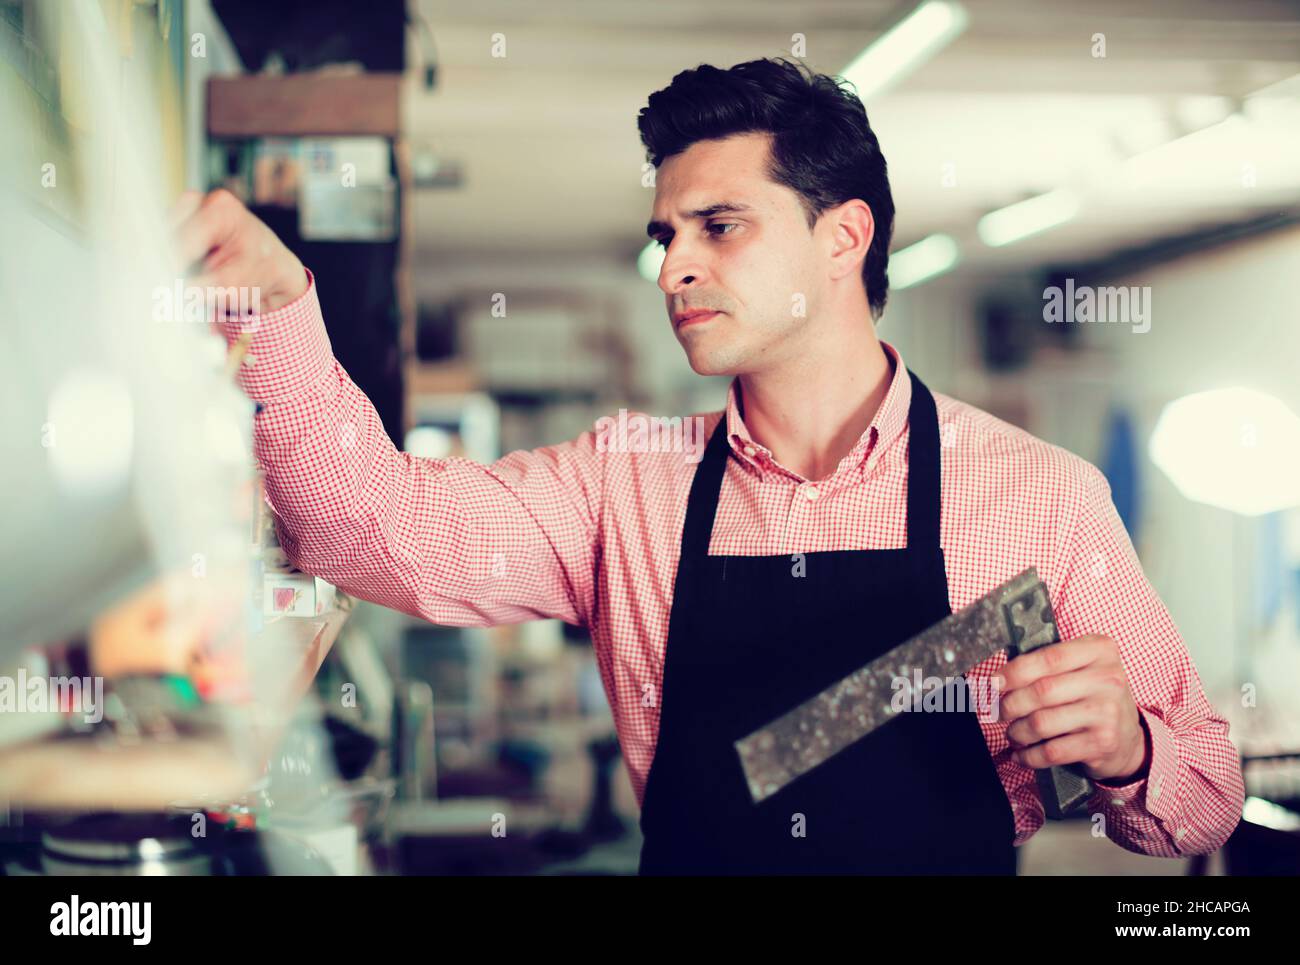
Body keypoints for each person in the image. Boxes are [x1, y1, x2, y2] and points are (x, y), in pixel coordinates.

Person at [174, 57, 1243, 875]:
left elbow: (1205, 796)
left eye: (718, 226)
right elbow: (361, 528)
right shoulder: (623, 485)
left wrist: (1126, 746)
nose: (673, 265)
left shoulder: (1041, 495)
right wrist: (276, 307)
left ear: (843, 238)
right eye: (665, 234)